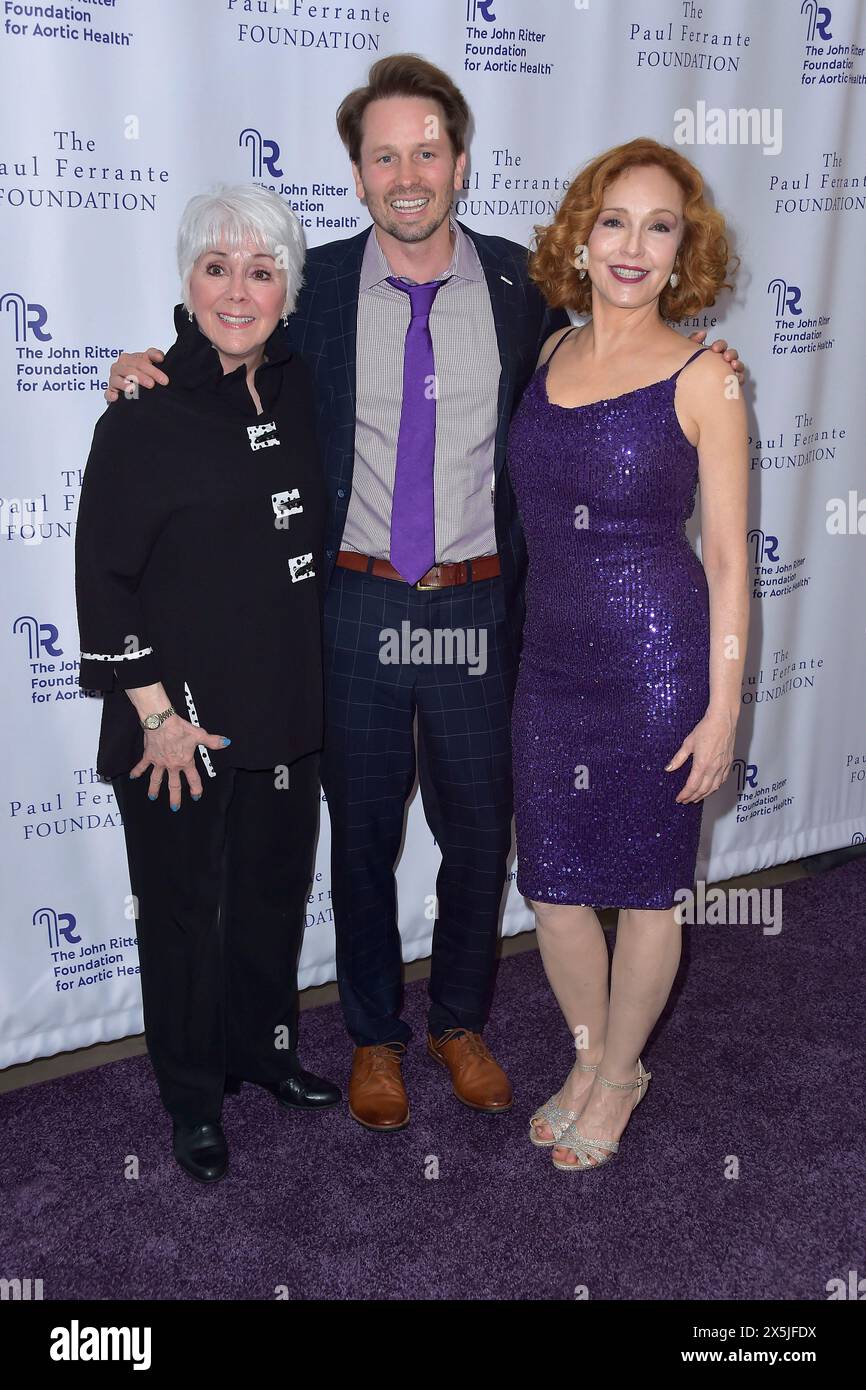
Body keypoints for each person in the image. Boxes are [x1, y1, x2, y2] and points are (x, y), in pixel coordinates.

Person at [105, 56, 745, 1135]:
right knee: (356, 834)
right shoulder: (310, 297)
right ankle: (372, 1037)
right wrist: (149, 361)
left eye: (427, 152)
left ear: (459, 161)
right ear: (356, 176)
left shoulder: (520, 287)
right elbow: (230, 331)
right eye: (383, 156)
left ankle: (458, 1019)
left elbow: (622, 345)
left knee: (477, 829)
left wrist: (707, 363)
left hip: (481, 609)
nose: (408, 174)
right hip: (353, 609)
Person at [76, 184, 340, 1183]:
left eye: (261, 269)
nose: (239, 288)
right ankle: (192, 1098)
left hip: (283, 707)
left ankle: (263, 1057)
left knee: (271, 895)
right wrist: (157, 717)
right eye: (217, 267)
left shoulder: (307, 387)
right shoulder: (144, 412)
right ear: (187, 282)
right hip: (172, 728)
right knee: (185, 912)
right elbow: (104, 577)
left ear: (287, 288)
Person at [507, 138, 749, 1170]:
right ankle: (589, 1049)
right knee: (554, 888)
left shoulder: (706, 379)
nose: (632, 246)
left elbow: (733, 562)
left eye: (660, 228)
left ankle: (618, 1075)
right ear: (581, 231)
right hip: (548, 662)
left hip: (658, 666)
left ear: (681, 252)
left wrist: (721, 706)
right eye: (614, 221)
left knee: (648, 889)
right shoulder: (544, 353)